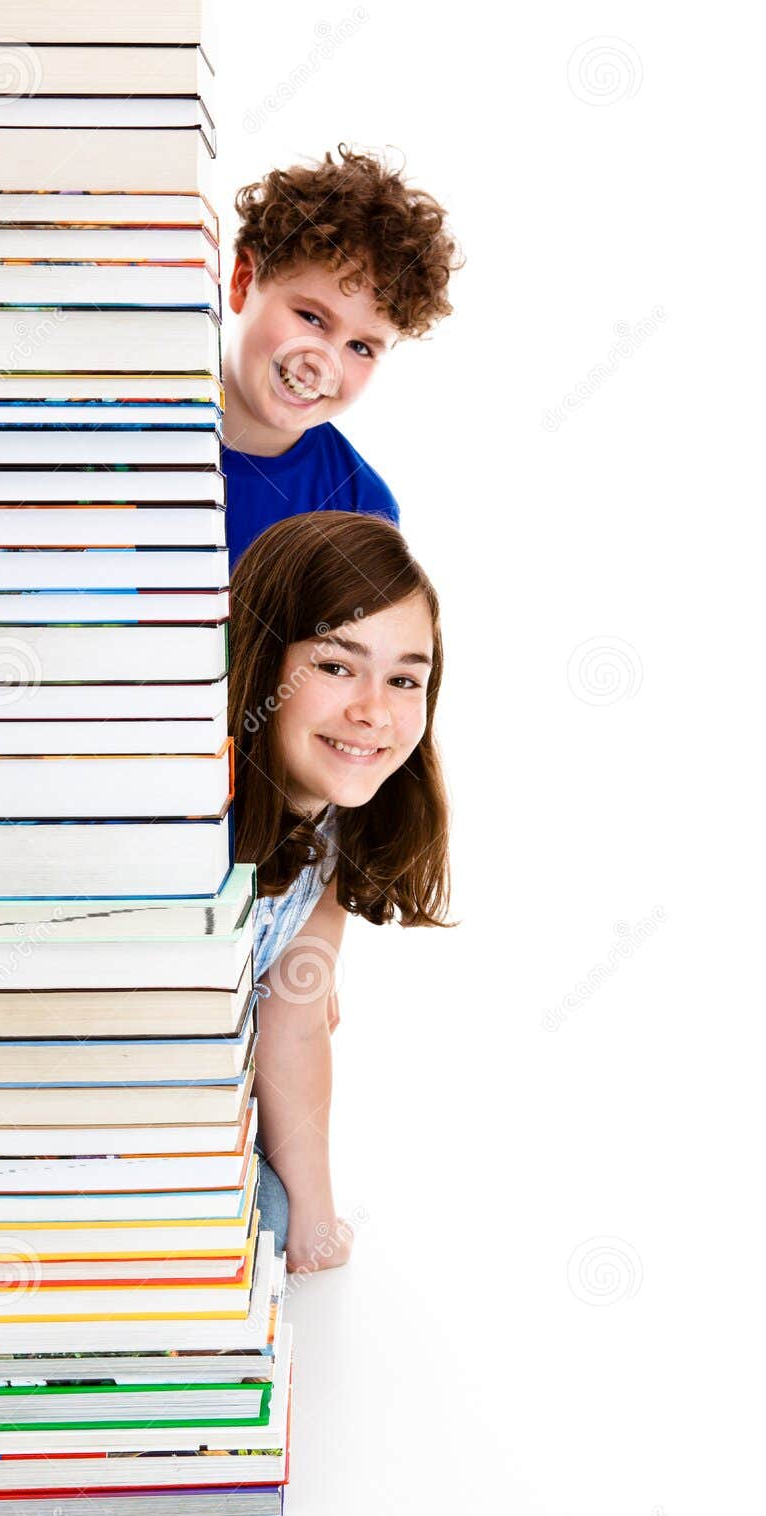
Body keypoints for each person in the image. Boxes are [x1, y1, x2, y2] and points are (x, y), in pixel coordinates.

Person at [227, 511, 451, 1271]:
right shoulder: (191, 813)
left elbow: (294, 1020)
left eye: (403, 679)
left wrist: (317, 1223)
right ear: (263, 662)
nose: (374, 710)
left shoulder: (330, 830)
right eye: (334, 666)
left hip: (185, 1111)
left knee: (280, 1215)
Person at [222, 144, 460, 569]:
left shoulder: (360, 509)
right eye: (311, 317)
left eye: (361, 347)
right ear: (244, 279)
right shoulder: (125, 432)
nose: (323, 362)